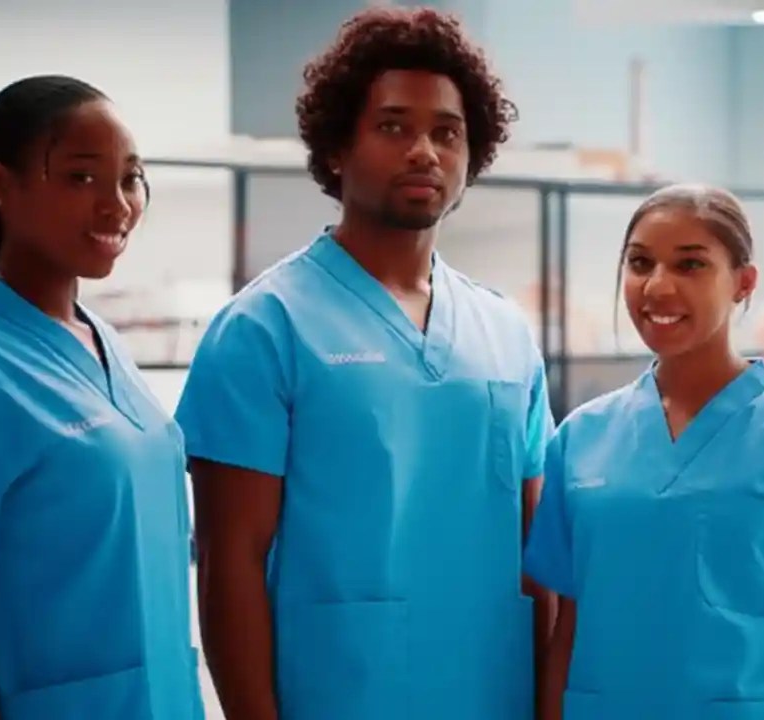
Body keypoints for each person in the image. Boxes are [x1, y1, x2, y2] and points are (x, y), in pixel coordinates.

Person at [175, 7, 552, 720]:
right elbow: (231, 569)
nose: (424, 151)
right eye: (393, 126)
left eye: (447, 132)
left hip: (492, 694)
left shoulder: (504, 331)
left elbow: (541, 556)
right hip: (339, 695)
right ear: (337, 148)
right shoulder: (264, 329)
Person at [0, 75, 203, 720]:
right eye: (82, 178)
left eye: (130, 178)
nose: (117, 205)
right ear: (0, 183)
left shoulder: (103, 344)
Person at [522, 184, 764, 720]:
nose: (657, 286)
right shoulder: (581, 439)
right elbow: (567, 630)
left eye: (690, 265)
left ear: (743, 282)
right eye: (640, 263)